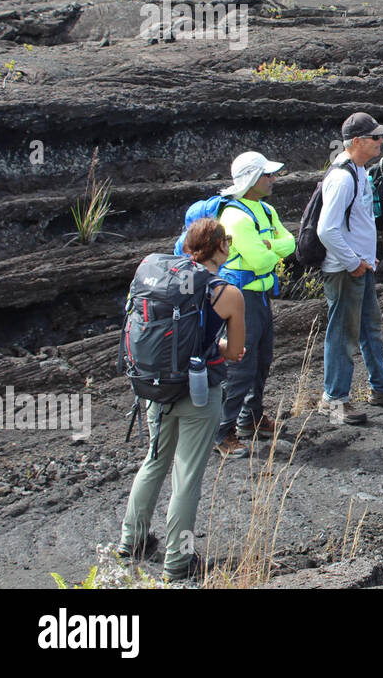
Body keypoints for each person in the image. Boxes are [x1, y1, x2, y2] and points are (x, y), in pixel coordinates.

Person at [119, 217, 246, 581]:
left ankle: (132, 541)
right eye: (228, 240)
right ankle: (178, 561)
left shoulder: (160, 276)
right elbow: (236, 351)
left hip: (155, 387)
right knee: (187, 476)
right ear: (221, 247)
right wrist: (219, 345)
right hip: (199, 392)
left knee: (154, 462)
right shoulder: (226, 293)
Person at [318, 112, 383, 424]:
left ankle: (382, 387)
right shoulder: (341, 177)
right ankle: (334, 400)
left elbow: (355, 223)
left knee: (368, 329)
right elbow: (326, 229)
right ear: (357, 141)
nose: (381, 141)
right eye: (375, 137)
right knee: (342, 335)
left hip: (359, 267)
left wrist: (364, 258)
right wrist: (353, 261)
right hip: (346, 270)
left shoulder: (358, 172)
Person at [213, 150, 295, 459]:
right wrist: (273, 249)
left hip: (259, 297)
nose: (273, 179)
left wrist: (270, 247)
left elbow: (291, 243)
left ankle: (251, 419)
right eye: (267, 174)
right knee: (240, 364)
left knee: (262, 359)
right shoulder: (235, 216)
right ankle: (222, 432)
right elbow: (262, 260)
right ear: (250, 179)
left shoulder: (265, 210)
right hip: (240, 299)